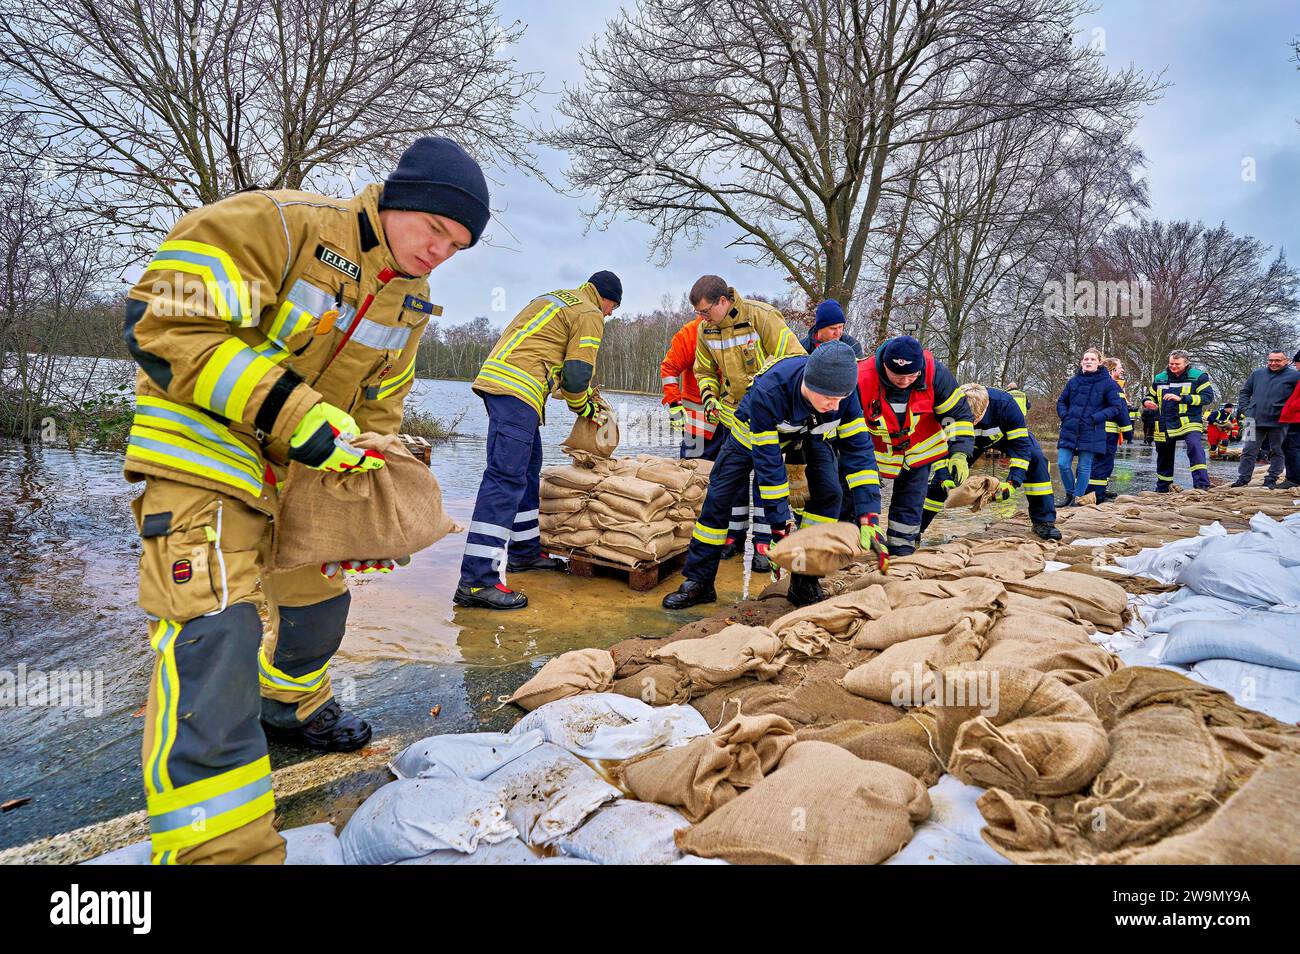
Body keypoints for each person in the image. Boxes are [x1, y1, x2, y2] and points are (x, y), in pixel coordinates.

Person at [122, 136, 489, 864]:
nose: (440, 252)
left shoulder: (410, 303)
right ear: (395, 198)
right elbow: (161, 321)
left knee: (321, 608)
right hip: (206, 459)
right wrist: (295, 413)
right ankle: (219, 851)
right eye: (435, 231)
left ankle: (291, 705)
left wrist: (369, 505)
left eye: (457, 247)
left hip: (306, 478)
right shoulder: (279, 223)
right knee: (214, 638)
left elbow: (381, 411)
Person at [662, 342, 885, 610]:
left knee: (829, 493)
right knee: (719, 497)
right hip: (750, 437)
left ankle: (804, 583)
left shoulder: (842, 397)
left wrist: (869, 512)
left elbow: (859, 452)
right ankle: (699, 582)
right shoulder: (771, 390)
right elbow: (769, 467)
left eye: (841, 399)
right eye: (829, 398)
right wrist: (779, 526)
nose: (835, 406)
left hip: (808, 436)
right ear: (809, 384)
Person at [455, 271, 622, 610]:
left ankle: (524, 553)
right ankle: (476, 581)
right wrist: (584, 406)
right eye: (612, 309)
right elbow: (576, 373)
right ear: (607, 299)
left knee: (528, 471)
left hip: (503, 386)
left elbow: (551, 358)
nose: (609, 315)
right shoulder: (589, 313)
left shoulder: (556, 298)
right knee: (504, 479)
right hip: (518, 392)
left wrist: (581, 394)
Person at [692, 275, 805, 572]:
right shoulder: (705, 330)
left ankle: (763, 547)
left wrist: (762, 387)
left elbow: (794, 359)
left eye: (705, 311)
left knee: (767, 484)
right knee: (726, 485)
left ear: (724, 301)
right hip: (734, 420)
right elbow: (703, 370)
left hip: (768, 418)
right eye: (698, 314)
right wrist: (709, 397)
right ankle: (726, 544)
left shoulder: (761, 317)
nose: (702, 318)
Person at [854, 335, 974, 555]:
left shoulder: (935, 373)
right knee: (856, 500)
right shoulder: (861, 377)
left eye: (911, 375)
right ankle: (856, 548)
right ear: (883, 366)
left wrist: (960, 453)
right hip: (873, 454)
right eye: (897, 375)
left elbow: (956, 415)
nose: (904, 381)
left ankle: (902, 553)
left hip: (919, 452)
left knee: (910, 506)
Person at [921, 385, 1061, 540]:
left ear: (986, 406)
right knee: (943, 480)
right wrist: (942, 476)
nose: (973, 424)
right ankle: (917, 527)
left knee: (1036, 460)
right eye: (968, 419)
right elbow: (939, 448)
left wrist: (1012, 484)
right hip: (964, 443)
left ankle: (1043, 522)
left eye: (976, 419)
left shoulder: (1006, 405)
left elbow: (1021, 449)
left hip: (1004, 438)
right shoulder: (949, 407)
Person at [1056, 348, 1127, 505]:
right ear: (1082, 362)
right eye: (1086, 359)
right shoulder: (1073, 381)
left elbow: (1115, 407)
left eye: (1092, 359)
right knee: (1062, 464)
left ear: (1099, 363)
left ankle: (1078, 498)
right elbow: (1061, 401)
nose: (1088, 362)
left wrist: (1095, 418)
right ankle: (1070, 494)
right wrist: (1065, 415)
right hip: (1070, 427)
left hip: (1092, 430)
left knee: (1084, 467)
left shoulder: (1108, 383)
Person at [1143, 350, 1215, 492]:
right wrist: (1147, 401)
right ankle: (1163, 487)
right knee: (1164, 455)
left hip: (1189, 421)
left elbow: (1207, 398)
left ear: (1186, 363)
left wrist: (1183, 398)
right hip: (1164, 422)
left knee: (1194, 447)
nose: (1173, 367)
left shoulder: (1198, 377)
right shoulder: (1160, 378)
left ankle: (1202, 485)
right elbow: (1149, 395)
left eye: (1177, 364)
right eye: (1171, 363)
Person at [1231, 349, 1300, 488]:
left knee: (1278, 450)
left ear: (1285, 361)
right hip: (1253, 419)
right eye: (1271, 360)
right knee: (1248, 450)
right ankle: (1243, 478)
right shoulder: (1257, 374)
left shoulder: (1295, 376)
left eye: (1278, 361)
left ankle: (1271, 478)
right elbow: (1245, 392)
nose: (1273, 363)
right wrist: (1246, 409)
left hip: (1279, 421)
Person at [660, 313, 721, 460]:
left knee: (728, 476)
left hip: (729, 421)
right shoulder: (691, 333)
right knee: (692, 472)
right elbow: (669, 368)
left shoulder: (735, 331)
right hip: (698, 423)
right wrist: (675, 404)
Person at [1086, 357, 1134, 501]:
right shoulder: (1112, 385)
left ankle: (1092, 490)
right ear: (1112, 370)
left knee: (1089, 461)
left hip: (1090, 429)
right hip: (1107, 431)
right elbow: (1121, 410)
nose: (1122, 370)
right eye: (1120, 367)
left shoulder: (1090, 382)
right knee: (1103, 462)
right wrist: (1128, 432)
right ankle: (1097, 494)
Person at [800, 299, 865, 358]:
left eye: (840, 327)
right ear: (820, 327)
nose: (838, 333)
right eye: (833, 328)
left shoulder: (853, 345)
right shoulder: (801, 348)